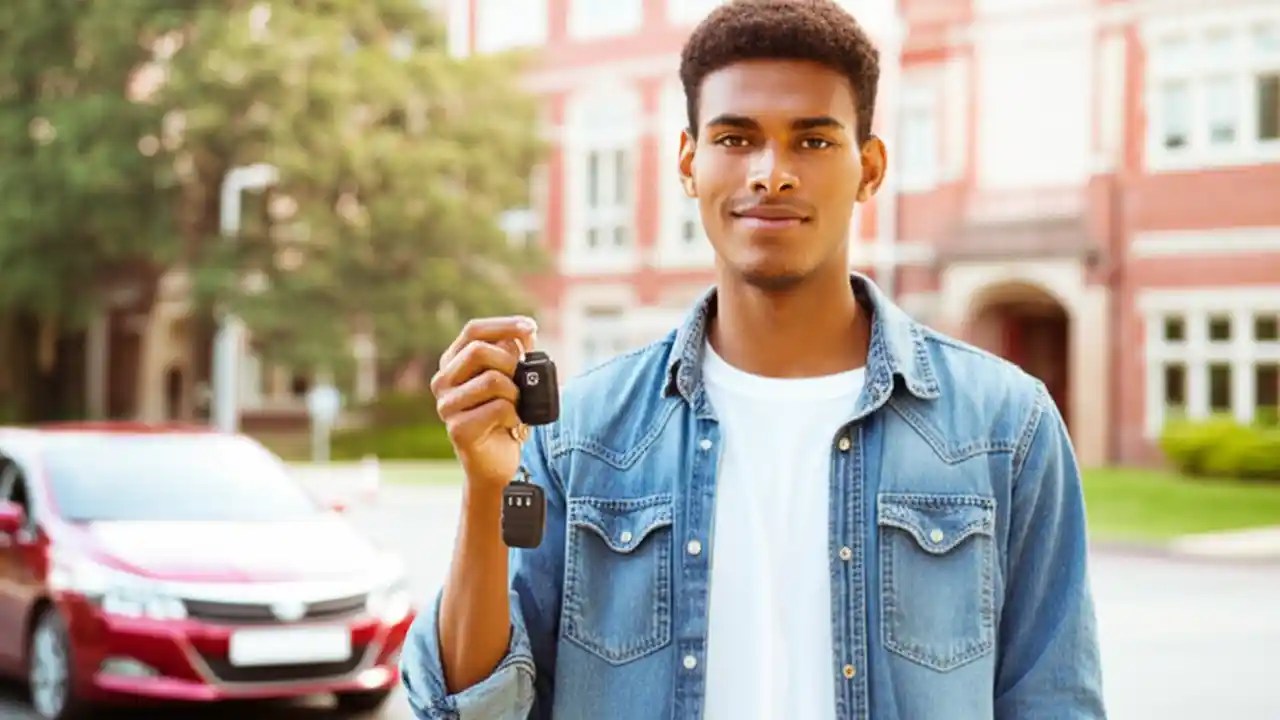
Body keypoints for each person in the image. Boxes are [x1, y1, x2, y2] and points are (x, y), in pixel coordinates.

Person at [401, 0, 1106, 718]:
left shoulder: (1005, 427)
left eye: (814, 142)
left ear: (869, 167)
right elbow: (475, 709)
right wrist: (486, 490)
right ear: (688, 162)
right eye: (737, 139)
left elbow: (1055, 702)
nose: (772, 173)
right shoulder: (578, 433)